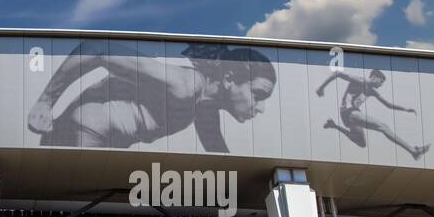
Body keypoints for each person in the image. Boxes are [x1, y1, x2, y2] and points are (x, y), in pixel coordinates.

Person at [26, 42, 277, 152]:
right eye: (258, 95)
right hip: (85, 135)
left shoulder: (204, 106)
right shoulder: (183, 85)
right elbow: (97, 48)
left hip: (97, 142)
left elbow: (219, 154)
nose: (261, 108)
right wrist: (46, 101)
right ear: (230, 78)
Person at [316, 69, 430, 159]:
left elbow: (388, 105)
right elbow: (337, 73)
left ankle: (334, 126)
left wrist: (405, 109)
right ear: (374, 77)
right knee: (383, 127)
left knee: (361, 143)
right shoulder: (360, 80)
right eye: (381, 82)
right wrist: (321, 87)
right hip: (349, 111)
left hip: (349, 116)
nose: (381, 85)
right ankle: (412, 150)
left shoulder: (372, 91)